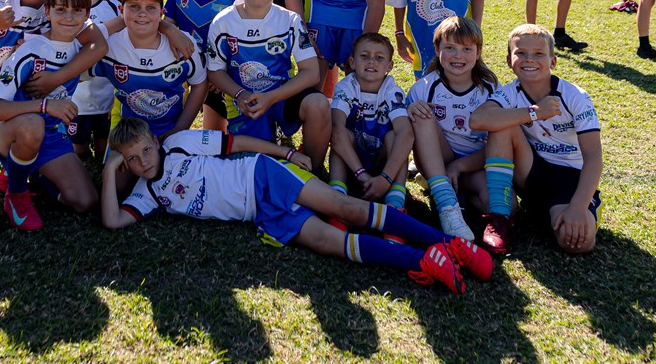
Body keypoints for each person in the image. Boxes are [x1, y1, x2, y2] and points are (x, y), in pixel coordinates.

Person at [102, 118, 492, 294]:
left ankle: (451, 244)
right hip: (259, 212)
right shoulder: (146, 193)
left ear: (156, 142)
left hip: (261, 174)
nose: (143, 162)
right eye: (131, 159)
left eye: (145, 151)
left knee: (345, 208)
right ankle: (424, 261)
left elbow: (237, 144)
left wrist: (286, 153)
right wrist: (108, 172)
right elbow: (114, 221)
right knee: (327, 243)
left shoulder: (178, 144)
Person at [0, 0, 102, 231]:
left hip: (50, 133)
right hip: (8, 130)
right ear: (47, 12)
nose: (69, 17)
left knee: (85, 201)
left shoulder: (81, 47)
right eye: (60, 10)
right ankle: (16, 193)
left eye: (77, 11)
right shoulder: (30, 50)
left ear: (87, 15)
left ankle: (31, 173)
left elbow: (110, 33)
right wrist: (45, 106)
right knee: (32, 125)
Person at [470, 25, 603, 255]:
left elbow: (593, 157)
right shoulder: (509, 93)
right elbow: (478, 119)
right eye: (521, 53)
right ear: (509, 61)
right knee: (501, 124)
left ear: (553, 61)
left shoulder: (575, 96)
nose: (529, 59)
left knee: (577, 243)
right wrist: (534, 113)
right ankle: (499, 217)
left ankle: (573, 209)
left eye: (539, 53)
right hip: (530, 173)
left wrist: (578, 207)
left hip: (569, 181)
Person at [205, 0, 331, 170]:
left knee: (318, 104)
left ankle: (314, 170)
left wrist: (271, 97)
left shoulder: (289, 20)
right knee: (255, 166)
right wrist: (240, 94)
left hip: (281, 95)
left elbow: (312, 73)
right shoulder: (223, 22)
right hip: (244, 100)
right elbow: (215, 71)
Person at [406, 16, 499, 242]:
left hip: (475, 164)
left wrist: (459, 166)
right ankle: (446, 201)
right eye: (450, 48)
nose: (458, 55)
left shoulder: (491, 89)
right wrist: (409, 110)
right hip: (438, 158)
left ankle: (456, 192)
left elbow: (499, 145)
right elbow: (404, 131)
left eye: (466, 49)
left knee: (499, 203)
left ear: (478, 52)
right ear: (437, 49)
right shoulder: (424, 88)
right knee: (421, 113)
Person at [91, 0, 207, 148]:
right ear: (121, 10)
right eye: (134, 6)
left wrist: (180, 128)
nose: (142, 13)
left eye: (151, 7)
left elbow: (200, 83)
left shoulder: (183, 45)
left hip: (170, 128)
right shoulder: (109, 46)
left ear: (162, 13)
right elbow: (81, 44)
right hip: (126, 129)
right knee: (117, 166)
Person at [326, 33, 412, 216]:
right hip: (352, 162)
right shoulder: (346, 87)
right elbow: (336, 130)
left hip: (384, 165)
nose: (371, 61)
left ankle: (395, 205)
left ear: (390, 66)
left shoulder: (392, 91)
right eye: (364, 56)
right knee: (342, 132)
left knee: (395, 136)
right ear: (352, 62)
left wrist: (385, 178)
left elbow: (406, 133)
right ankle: (336, 198)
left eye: (379, 58)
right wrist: (361, 174)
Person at [165, 0, 239, 131]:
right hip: (186, 62)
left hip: (219, 66)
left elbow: (239, 34)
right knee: (173, 120)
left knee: (214, 133)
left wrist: (222, 70)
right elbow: (167, 22)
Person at [67, 0, 123, 160]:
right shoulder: (63, 6)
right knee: (78, 151)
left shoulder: (116, 8)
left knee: (103, 150)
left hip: (105, 98)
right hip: (74, 100)